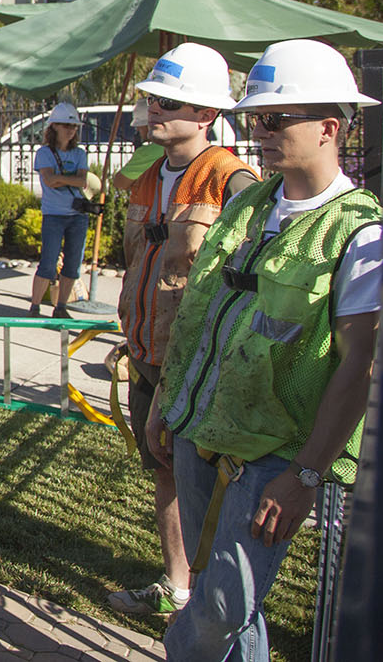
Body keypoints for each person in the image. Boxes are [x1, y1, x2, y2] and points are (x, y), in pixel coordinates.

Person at [148, 39, 381, 662]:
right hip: (202, 431)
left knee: (221, 603)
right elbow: (197, 311)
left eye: (277, 119)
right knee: (229, 608)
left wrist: (305, 473)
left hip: (273, 458)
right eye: (256, 118)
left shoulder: (359, 232)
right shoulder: (250, 203)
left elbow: (358, 365)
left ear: (329, 127)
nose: (261, 131)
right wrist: (167, 405)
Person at [108, 44, 258, 618]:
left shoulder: (231, 179)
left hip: (198, 366)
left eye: (170, 101)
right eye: (151, 98)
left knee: (202, 483)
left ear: (207, 115)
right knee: (163, 471)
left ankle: (214, 602)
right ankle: (178, 586)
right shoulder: (147, 172)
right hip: (149, 354)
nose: (154, 109)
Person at [30, 102, 90, 318]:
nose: (70, 129)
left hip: (77, 215)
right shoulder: (44, 153)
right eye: (66, 125)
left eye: (73, 126)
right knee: (48, 261)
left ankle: (61, 306)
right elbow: (49, 180)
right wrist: (70, 180)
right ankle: (35, 306)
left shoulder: (80, 153)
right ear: (54, 126)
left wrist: (61, 179)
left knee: (73, 264)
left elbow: (82, 180)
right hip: (54, 214)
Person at [112, 99, 166, 192]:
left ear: (149, 125)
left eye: (139, 126)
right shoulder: (178, 146)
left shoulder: (147, 153)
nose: (137, 129)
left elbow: (120, 183)